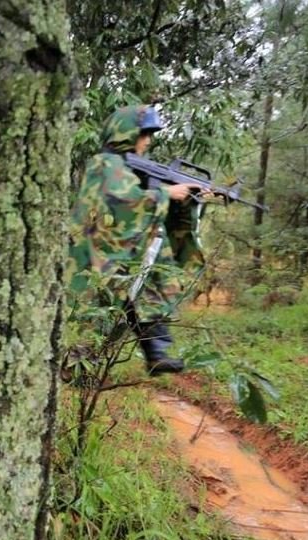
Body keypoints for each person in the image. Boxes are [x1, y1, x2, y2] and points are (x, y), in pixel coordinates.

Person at [69, 104, 206, 374]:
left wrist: (190, 197)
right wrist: (167, 194)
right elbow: (121, 201)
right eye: (144, 134)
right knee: (97, 307)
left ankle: (157, 353)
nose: (148, 141)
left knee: (152, 288)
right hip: (100, 252)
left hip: (129, 249)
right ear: (126, 133)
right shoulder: (106, 163)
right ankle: (77, 369)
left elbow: (141, 201)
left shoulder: (130, 168)